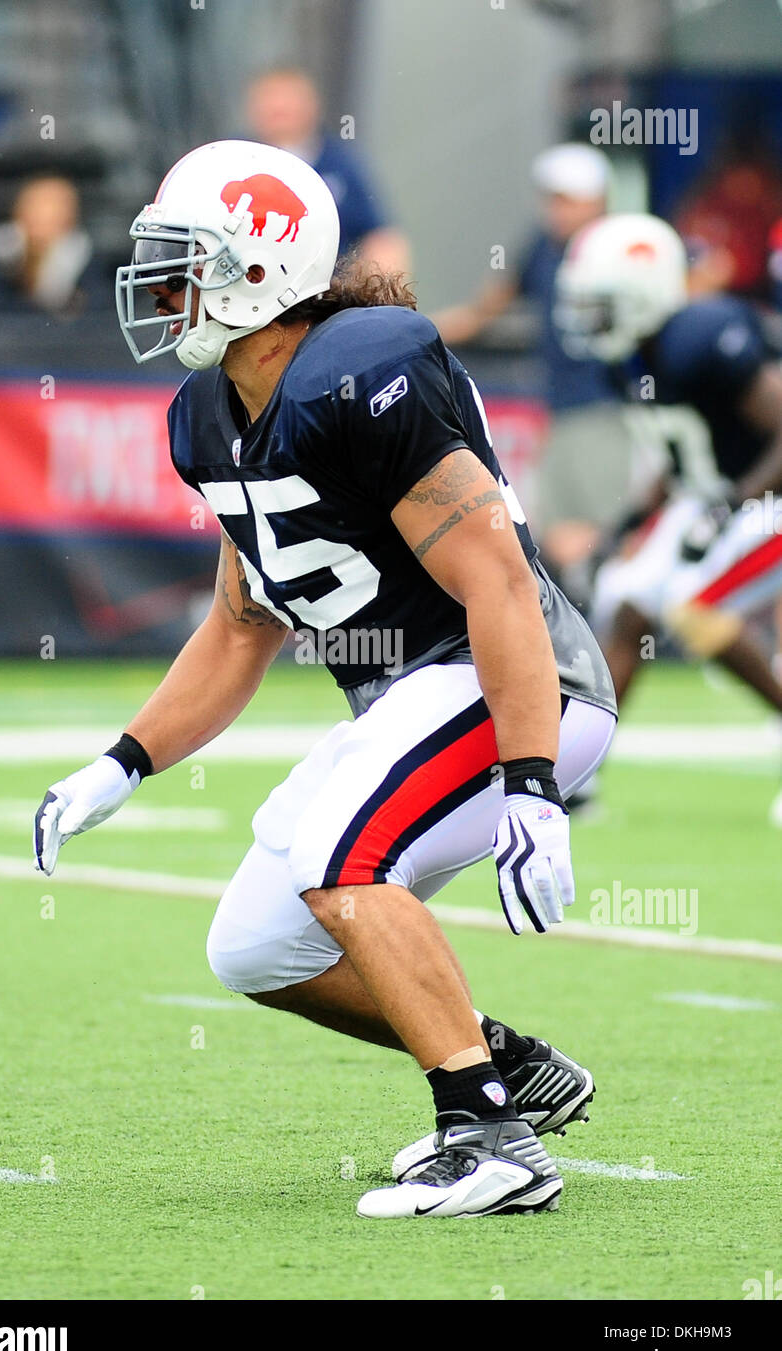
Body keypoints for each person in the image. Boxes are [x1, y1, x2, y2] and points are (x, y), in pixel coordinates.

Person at [37, 140, 617, 1219]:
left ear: (258, 270)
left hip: (513, 682)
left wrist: (533, 782)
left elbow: (495, 585)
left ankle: (487, 1136)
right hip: (410, 699)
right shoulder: (209, 414)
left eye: (185, 261)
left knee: (341, 858)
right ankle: (505, 1064)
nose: (162, 288)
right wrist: (124, 761)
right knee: (253, 946)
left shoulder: (362, 368)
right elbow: (238, 622)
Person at [556, 212, 782, 822]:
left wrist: (729, 506)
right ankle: (578, 774)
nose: (588, 318)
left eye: (600, 304)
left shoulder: (701, 334)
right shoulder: (630, 356)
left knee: (694, 605)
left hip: (765, 499)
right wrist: (629, 522)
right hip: (712, 498)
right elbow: (676, 448)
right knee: (626, 606)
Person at [433, 143, 635, 598]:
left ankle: (612, 628)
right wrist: (421, 331)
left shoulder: (616, 248)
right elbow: (488, 306)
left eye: (566, 199)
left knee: (602, 528)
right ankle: (590, 625)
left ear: (597, 200)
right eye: (552, 199)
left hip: (604, 409)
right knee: (562, 531)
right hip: (560, 409)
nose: (555, 210)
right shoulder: (544, 248)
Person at [244, 65, 410, 274]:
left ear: (312, 106)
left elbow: (382, 240)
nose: (279, 107)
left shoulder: (341, 165)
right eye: (270, 98)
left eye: (290, 98)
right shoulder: (229, 160)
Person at [0, 175, 107, 317]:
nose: (48, 215)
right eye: (40, 205)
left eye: (58, 206)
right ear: (19, 210)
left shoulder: (84, 255)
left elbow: (97, 307)